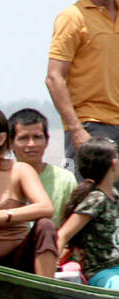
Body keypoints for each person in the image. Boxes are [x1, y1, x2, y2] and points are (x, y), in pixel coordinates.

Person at [0, 107, 59, 277]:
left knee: (46, 226)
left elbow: (46, 207)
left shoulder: (19, 170)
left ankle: (46, 291)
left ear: (1, 138)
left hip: (18, 259)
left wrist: (4, 215)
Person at [47, 0, 119, 171]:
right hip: (92, 124)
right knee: (92, 194)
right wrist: (76, 128)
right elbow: (54, 77)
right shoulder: (72, 18)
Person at [56, 138, 119, 287]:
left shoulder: (115, 195)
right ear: (113, 163)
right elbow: (64, 234)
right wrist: (52, 267)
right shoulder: (96, 199)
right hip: (103, 272)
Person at [8, 108, 78, 225]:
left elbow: (72, 224)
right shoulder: (1, 178)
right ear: (10, 143)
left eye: (37, 137)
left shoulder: (64, 179)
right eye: (24, 138)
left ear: (47, 141)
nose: (31, 144)